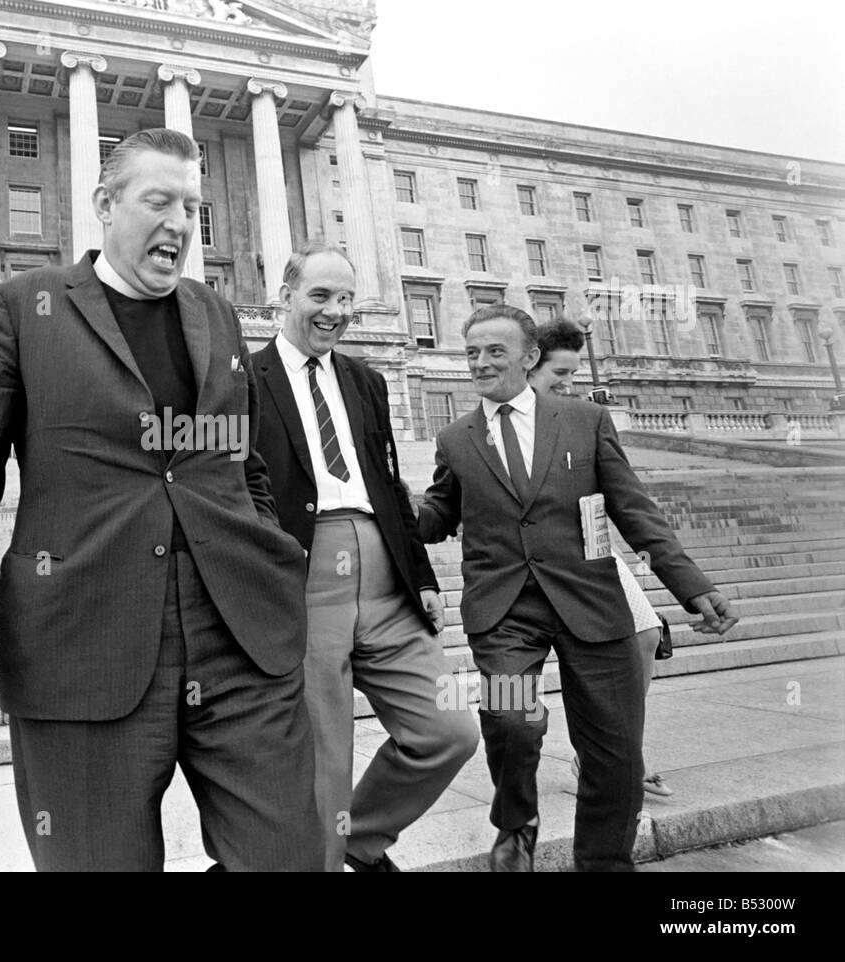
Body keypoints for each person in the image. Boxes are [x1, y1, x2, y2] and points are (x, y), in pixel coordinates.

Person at [0, 128, 322, 872]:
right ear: (105, 205)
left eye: (192, 207)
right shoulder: (20, 308)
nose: (179, 224)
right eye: (158, 201)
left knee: (289, 857)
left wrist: (273, 553)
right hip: (83, 646)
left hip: (239, 639)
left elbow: (246, 462)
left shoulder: (218, 314)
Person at [417, 305, 737, 871]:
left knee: (614, 752)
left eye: (495, 350)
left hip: (590, 601)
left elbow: (635, 512)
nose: (481, 362)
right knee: (511, 719)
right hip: (505, 610)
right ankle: (517, 825)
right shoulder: (455, 438)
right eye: (472, 352)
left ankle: (605, 862)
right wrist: (381, 495)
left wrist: (692, 588)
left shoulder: (584, 421)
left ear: (529, 357)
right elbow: (436, 515)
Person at [251, 243, 478, 872]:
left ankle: (361, 838)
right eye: (321, 296)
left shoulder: (366, 380)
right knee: (324, 761)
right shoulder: (242, 378)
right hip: (304, 578)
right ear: (286, 296)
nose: (336, 311)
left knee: (450, 730)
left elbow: (388, 485)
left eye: (346, 298)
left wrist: (422, 575)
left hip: (385, 578)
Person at [528, 318, 674, 797]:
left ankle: (613, 749)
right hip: (540, 562)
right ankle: (606, 754)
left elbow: (625, 496)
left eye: (574, 374)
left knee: (646, 635)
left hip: (595, 546)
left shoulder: (585, 418)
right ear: (530, 365)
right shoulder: (503, 421)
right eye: (560, 374)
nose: (570, 384)